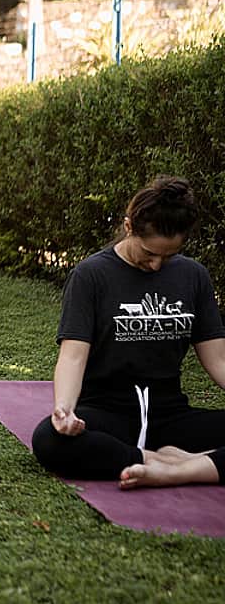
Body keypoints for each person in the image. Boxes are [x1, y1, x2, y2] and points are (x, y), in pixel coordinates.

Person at [31, 176, 225, 489]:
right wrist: (64, 410)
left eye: (169, 255)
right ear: (128, 226)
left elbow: (218, 361)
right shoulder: (91, 275)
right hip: (108, 415)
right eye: (149, 253)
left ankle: (178, 470)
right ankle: (154, 460)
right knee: (49, 439)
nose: (156, 265)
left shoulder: (194, 276)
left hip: (172, 416)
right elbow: (73, 356)